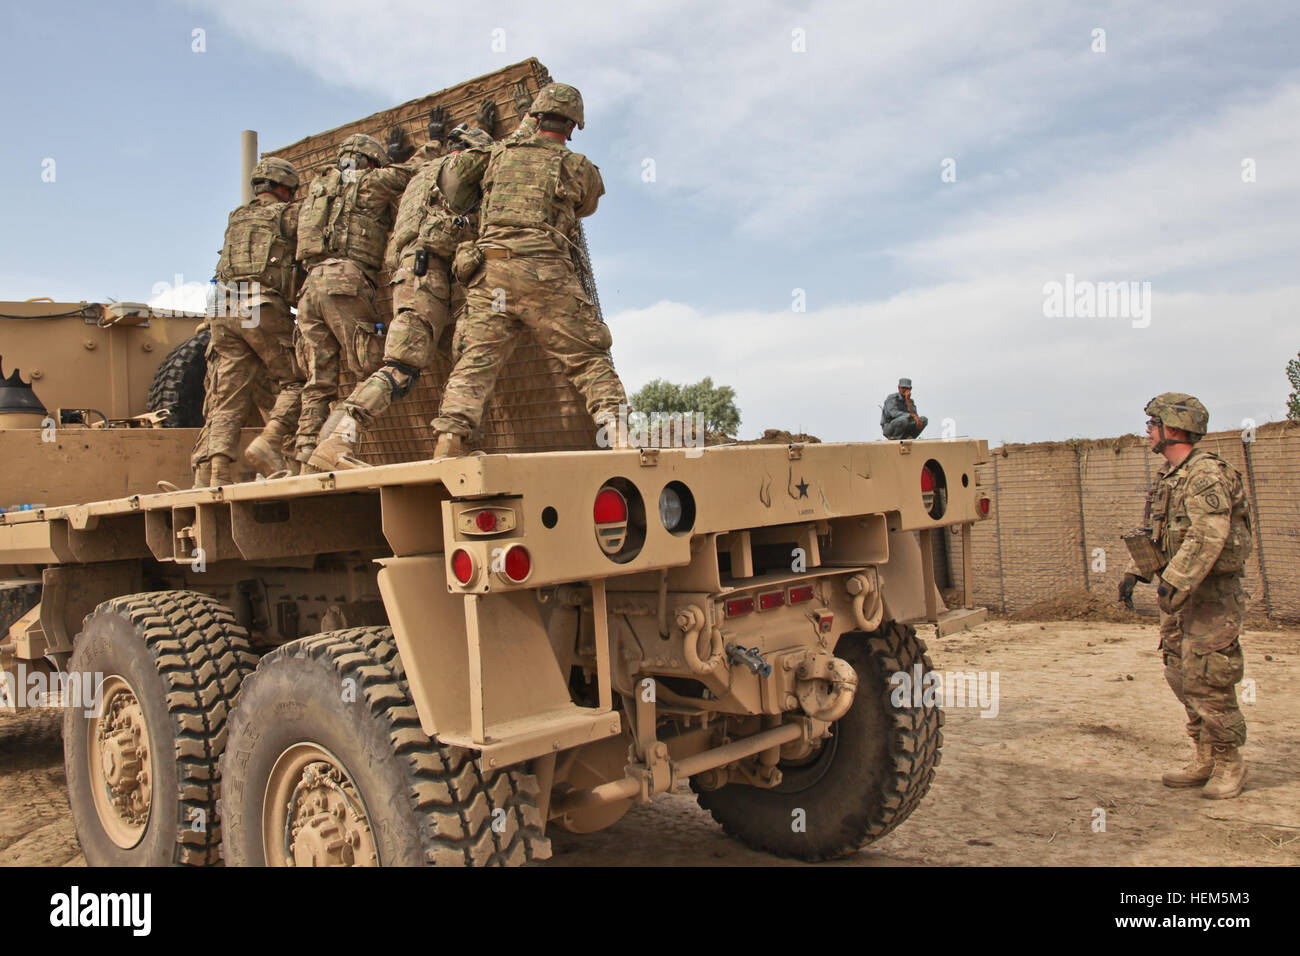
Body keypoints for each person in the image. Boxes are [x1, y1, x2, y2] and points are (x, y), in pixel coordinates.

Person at [426, 82, 627, 459]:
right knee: (587, 355)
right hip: (545, 274)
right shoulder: (578, 166)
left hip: (492, 273)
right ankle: (619, 437)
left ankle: (449, 442)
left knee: (476, 363)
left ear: (534, 117)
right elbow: (587, 206)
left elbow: (453, 189)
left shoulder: (496, 154)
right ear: (573, 127)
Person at [307, 101, 502, 471]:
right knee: (401, 367)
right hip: (424, 277)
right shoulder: (456, 168)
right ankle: (338, 440)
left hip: (420, 278)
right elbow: (493, 160)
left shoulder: (422, 175)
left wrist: (429, 142)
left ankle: (453, 447)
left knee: (461, 361)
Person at [1121, 393, 1253, 799]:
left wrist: (1173, 582)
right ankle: (1204, 755)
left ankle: (1230, 762)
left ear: (1173, 428)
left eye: (1152, 424)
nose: (1147, 431)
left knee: (1210, 677)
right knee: (1179, 674)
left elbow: (1207, 535)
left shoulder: (1205, 475)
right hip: (1179, 596)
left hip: (1209, 596)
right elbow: (1163, 535)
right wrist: (1137, 570)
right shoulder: (1170, 475)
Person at [293, 118, 445, 472]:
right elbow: (419, 172)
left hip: (308, 288)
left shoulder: (316, 191)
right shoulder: (372, 182)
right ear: (371, 162)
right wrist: (434, 141)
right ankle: (336, 446)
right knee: (375, 370)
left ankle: (304, 460)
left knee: (318, 383)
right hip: (344, 282)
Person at [190, 157, 304, 486]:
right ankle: (267, 445)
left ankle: (214, 473)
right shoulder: (287, 214)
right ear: (282, 187)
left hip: (221, 311)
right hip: (259, 305)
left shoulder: (236, 218)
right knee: (296, 381)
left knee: (227, 397)